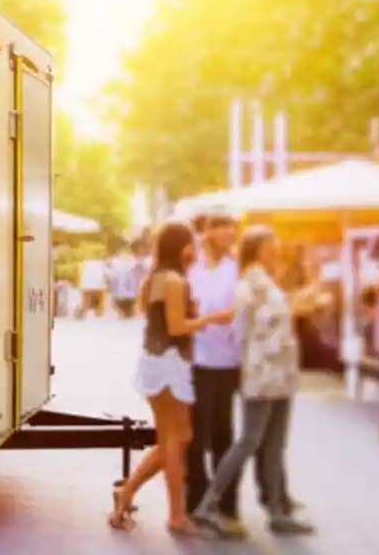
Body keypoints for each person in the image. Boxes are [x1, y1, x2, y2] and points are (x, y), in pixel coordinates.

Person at [108, 220, 232, 536]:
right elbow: (177, 328)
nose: (195, 248)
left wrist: (194, 314)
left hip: (157, 362)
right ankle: (175, 516)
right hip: (169, 365)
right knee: (175, 442)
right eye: (191, 243)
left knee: (175, 440)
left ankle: (128, 492)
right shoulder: (174, 280)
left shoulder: (156, 279)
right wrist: (212, 318)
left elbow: (162, 320)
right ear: (181, 247)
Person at [191, 226, 316, 537]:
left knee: (272, 445)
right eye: (271, 245)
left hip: (278, 373)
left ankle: (276, 511)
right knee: (251, 440)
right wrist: (309, 291)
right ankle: (210, 503)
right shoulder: (252, 282)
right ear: (259, 248)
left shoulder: (260, 280)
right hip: (265, 373)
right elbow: (256, 321)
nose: (277, 249)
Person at [185, 212, 246, 534]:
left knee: (224, 434)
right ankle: (195, 501)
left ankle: (227, 503)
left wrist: (205, 319)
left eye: (230, 228)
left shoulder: (236, 270)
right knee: (195, 436)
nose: (227, 233)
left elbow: (235, 313)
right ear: (207, 233)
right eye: (220, 227)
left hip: (227, 361)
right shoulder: (193, 270)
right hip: (196, 360)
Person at [109, 246, 142, 318]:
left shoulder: (115, 262)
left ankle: (125, 310)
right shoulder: (133, 261)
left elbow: (113, 280)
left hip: (121, 295)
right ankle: (128, 310)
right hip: (129, 295)